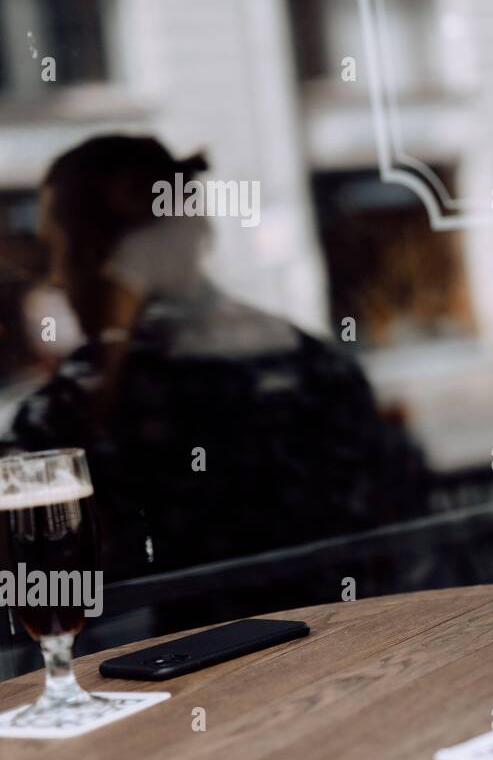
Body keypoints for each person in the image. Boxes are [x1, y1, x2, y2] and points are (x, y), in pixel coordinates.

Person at [0, 134, 434, 581]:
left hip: (167, 650)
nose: (55, 276)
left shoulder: (72, 414)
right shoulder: (315, 364)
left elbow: (42, 591)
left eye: (58, 248)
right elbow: (397, 534)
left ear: (102, 254)